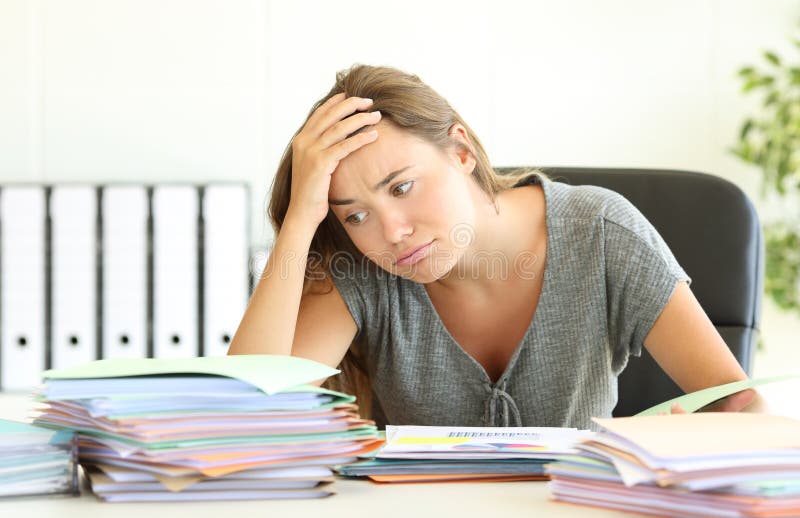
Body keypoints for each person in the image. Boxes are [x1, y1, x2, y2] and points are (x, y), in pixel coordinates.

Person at [228, 64, 757, 429]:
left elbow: (739, 404)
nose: (390, 231)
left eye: (402, 186)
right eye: (355, 214)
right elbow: (248, 417)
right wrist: (301, 219)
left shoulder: (601, 232)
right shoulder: (361, 266)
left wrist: (685, 452)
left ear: (459, 151)